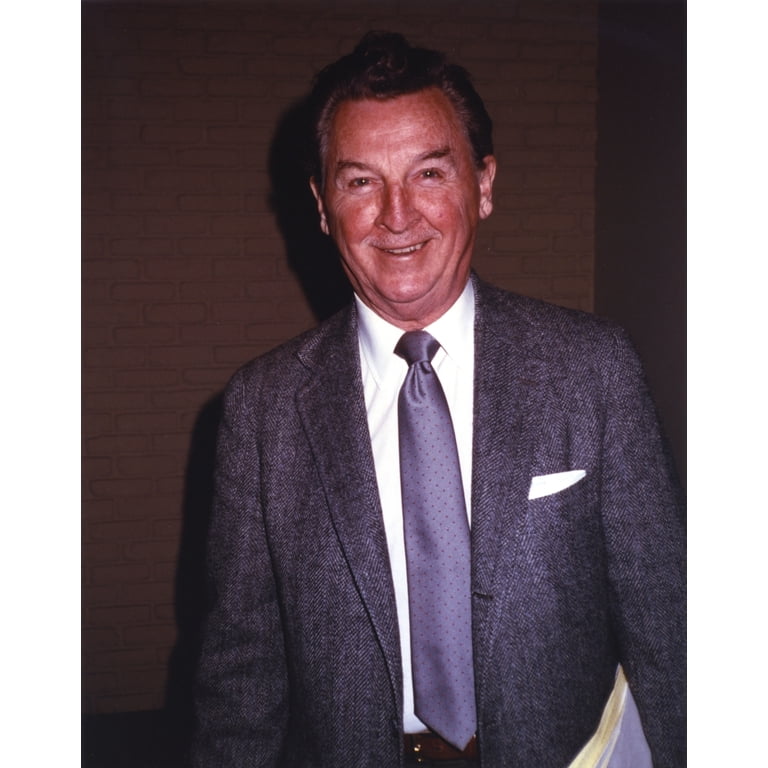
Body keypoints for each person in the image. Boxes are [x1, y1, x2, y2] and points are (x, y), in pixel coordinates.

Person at [193, 32, 685, 768]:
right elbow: (241, 676)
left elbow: (670, 631)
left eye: (428, 172)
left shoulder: (593, 370)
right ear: (322, 206)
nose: (397, 215)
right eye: (360, 182)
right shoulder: (262, 412)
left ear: (482, 185)